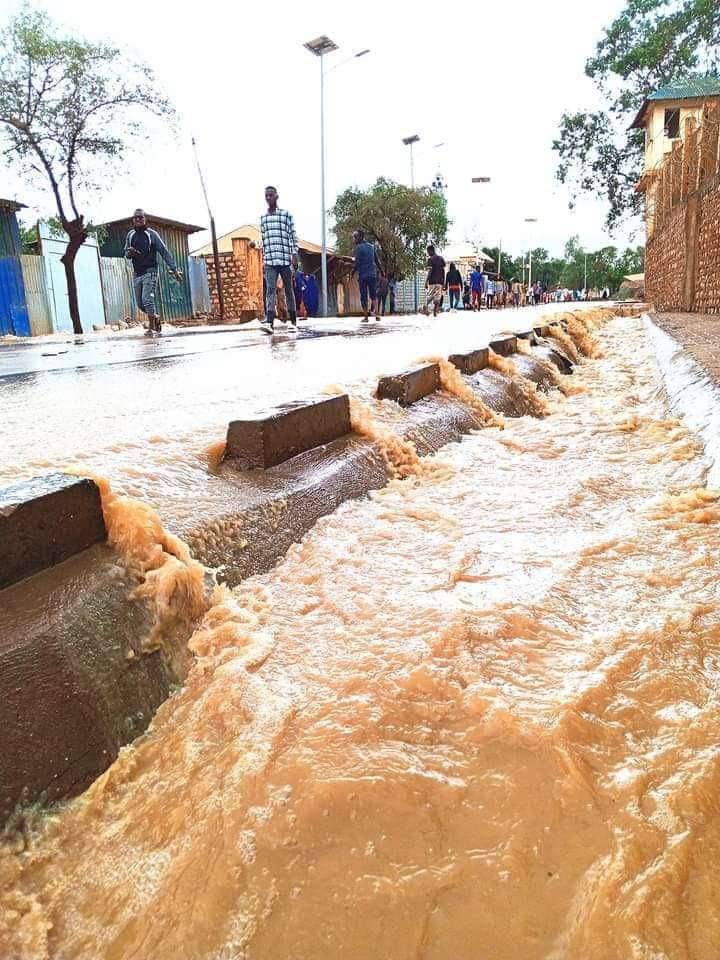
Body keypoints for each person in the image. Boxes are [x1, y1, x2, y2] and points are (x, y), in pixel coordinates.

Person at [124, 209, 184, 337]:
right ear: (133, 220)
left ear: (145, 219)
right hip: (137, 273)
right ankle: (155, 317)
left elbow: (164, 251)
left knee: (147, 300)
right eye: (136, 218)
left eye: (141, 217)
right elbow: (126, 254)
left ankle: (151, 327)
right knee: (140, 304)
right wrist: (130, 253)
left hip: (150, 271)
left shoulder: (151, 234)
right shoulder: (130, 235)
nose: (138, 219)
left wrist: (174, 270)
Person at [259, 185, 299, 333]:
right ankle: (269, 322)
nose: (269, 198)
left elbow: (293, 235)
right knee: (270, 290)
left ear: (276, 196)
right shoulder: (263, 219)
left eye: (271, 195)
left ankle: (293, 321)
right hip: (270, 261)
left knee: (289, 290)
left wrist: (294, 254)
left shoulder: (286, 215)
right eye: (266, 196)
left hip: (284, 260)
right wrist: (264, 259)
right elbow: (264, 240)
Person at [352, 229, 381, 322]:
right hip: (372, 274)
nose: (354, 239)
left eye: (355, 237)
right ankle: (377, 315)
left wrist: (352, 272)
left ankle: (366, 317)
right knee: (374, 295)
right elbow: (377, 260)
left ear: (360, 237)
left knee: (364, 296)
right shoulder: (372, 247)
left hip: (363, 275)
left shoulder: (359, 248)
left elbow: (357, 262)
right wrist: (382, 271)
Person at [425, 245, 446, 317]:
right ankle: (434, 311)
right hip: (440, 281)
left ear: (431, 250)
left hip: (432, 281)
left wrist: (426, 281)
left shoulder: (430, 259)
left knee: (430, 295)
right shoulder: (441, 259)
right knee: (437, 297)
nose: (428, 253)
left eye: (428, 252)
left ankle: (426, 306)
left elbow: (430, 271)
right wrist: (443, 282)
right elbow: (443, 271)